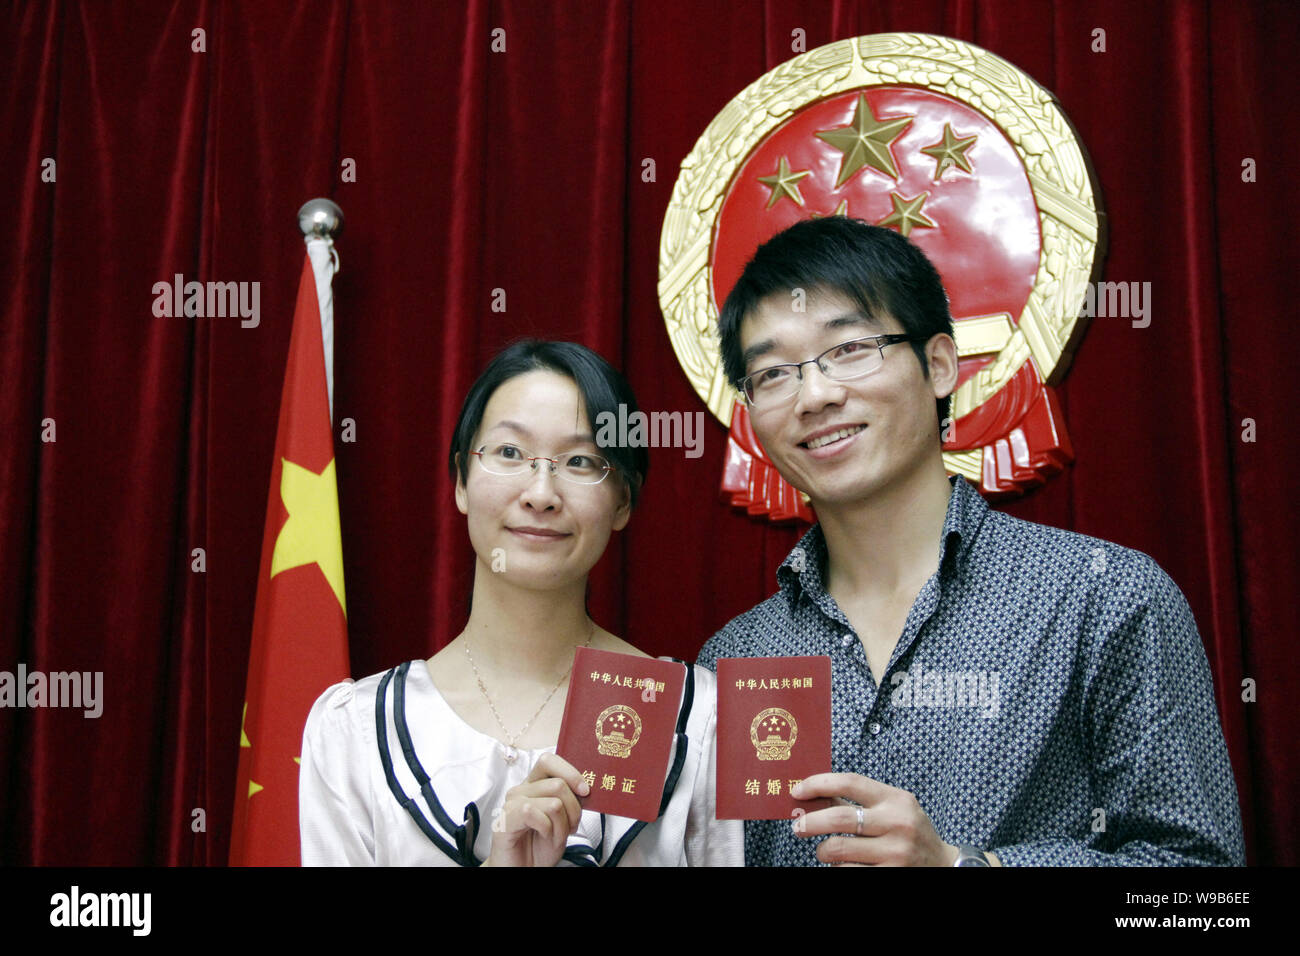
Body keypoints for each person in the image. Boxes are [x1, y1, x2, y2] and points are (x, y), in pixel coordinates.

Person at [696, 217, 1245, 866]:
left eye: (848, 349)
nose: (815, 395)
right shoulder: (732, 659)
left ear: (938, 366)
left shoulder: (1106, 598)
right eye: (774, 374)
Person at [300, 340, 742, 866]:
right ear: (462, 479)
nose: (541, 492)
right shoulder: (356, 732)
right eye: (510, 453)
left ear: (623, 500)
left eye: (580, 461)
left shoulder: (695, 722)